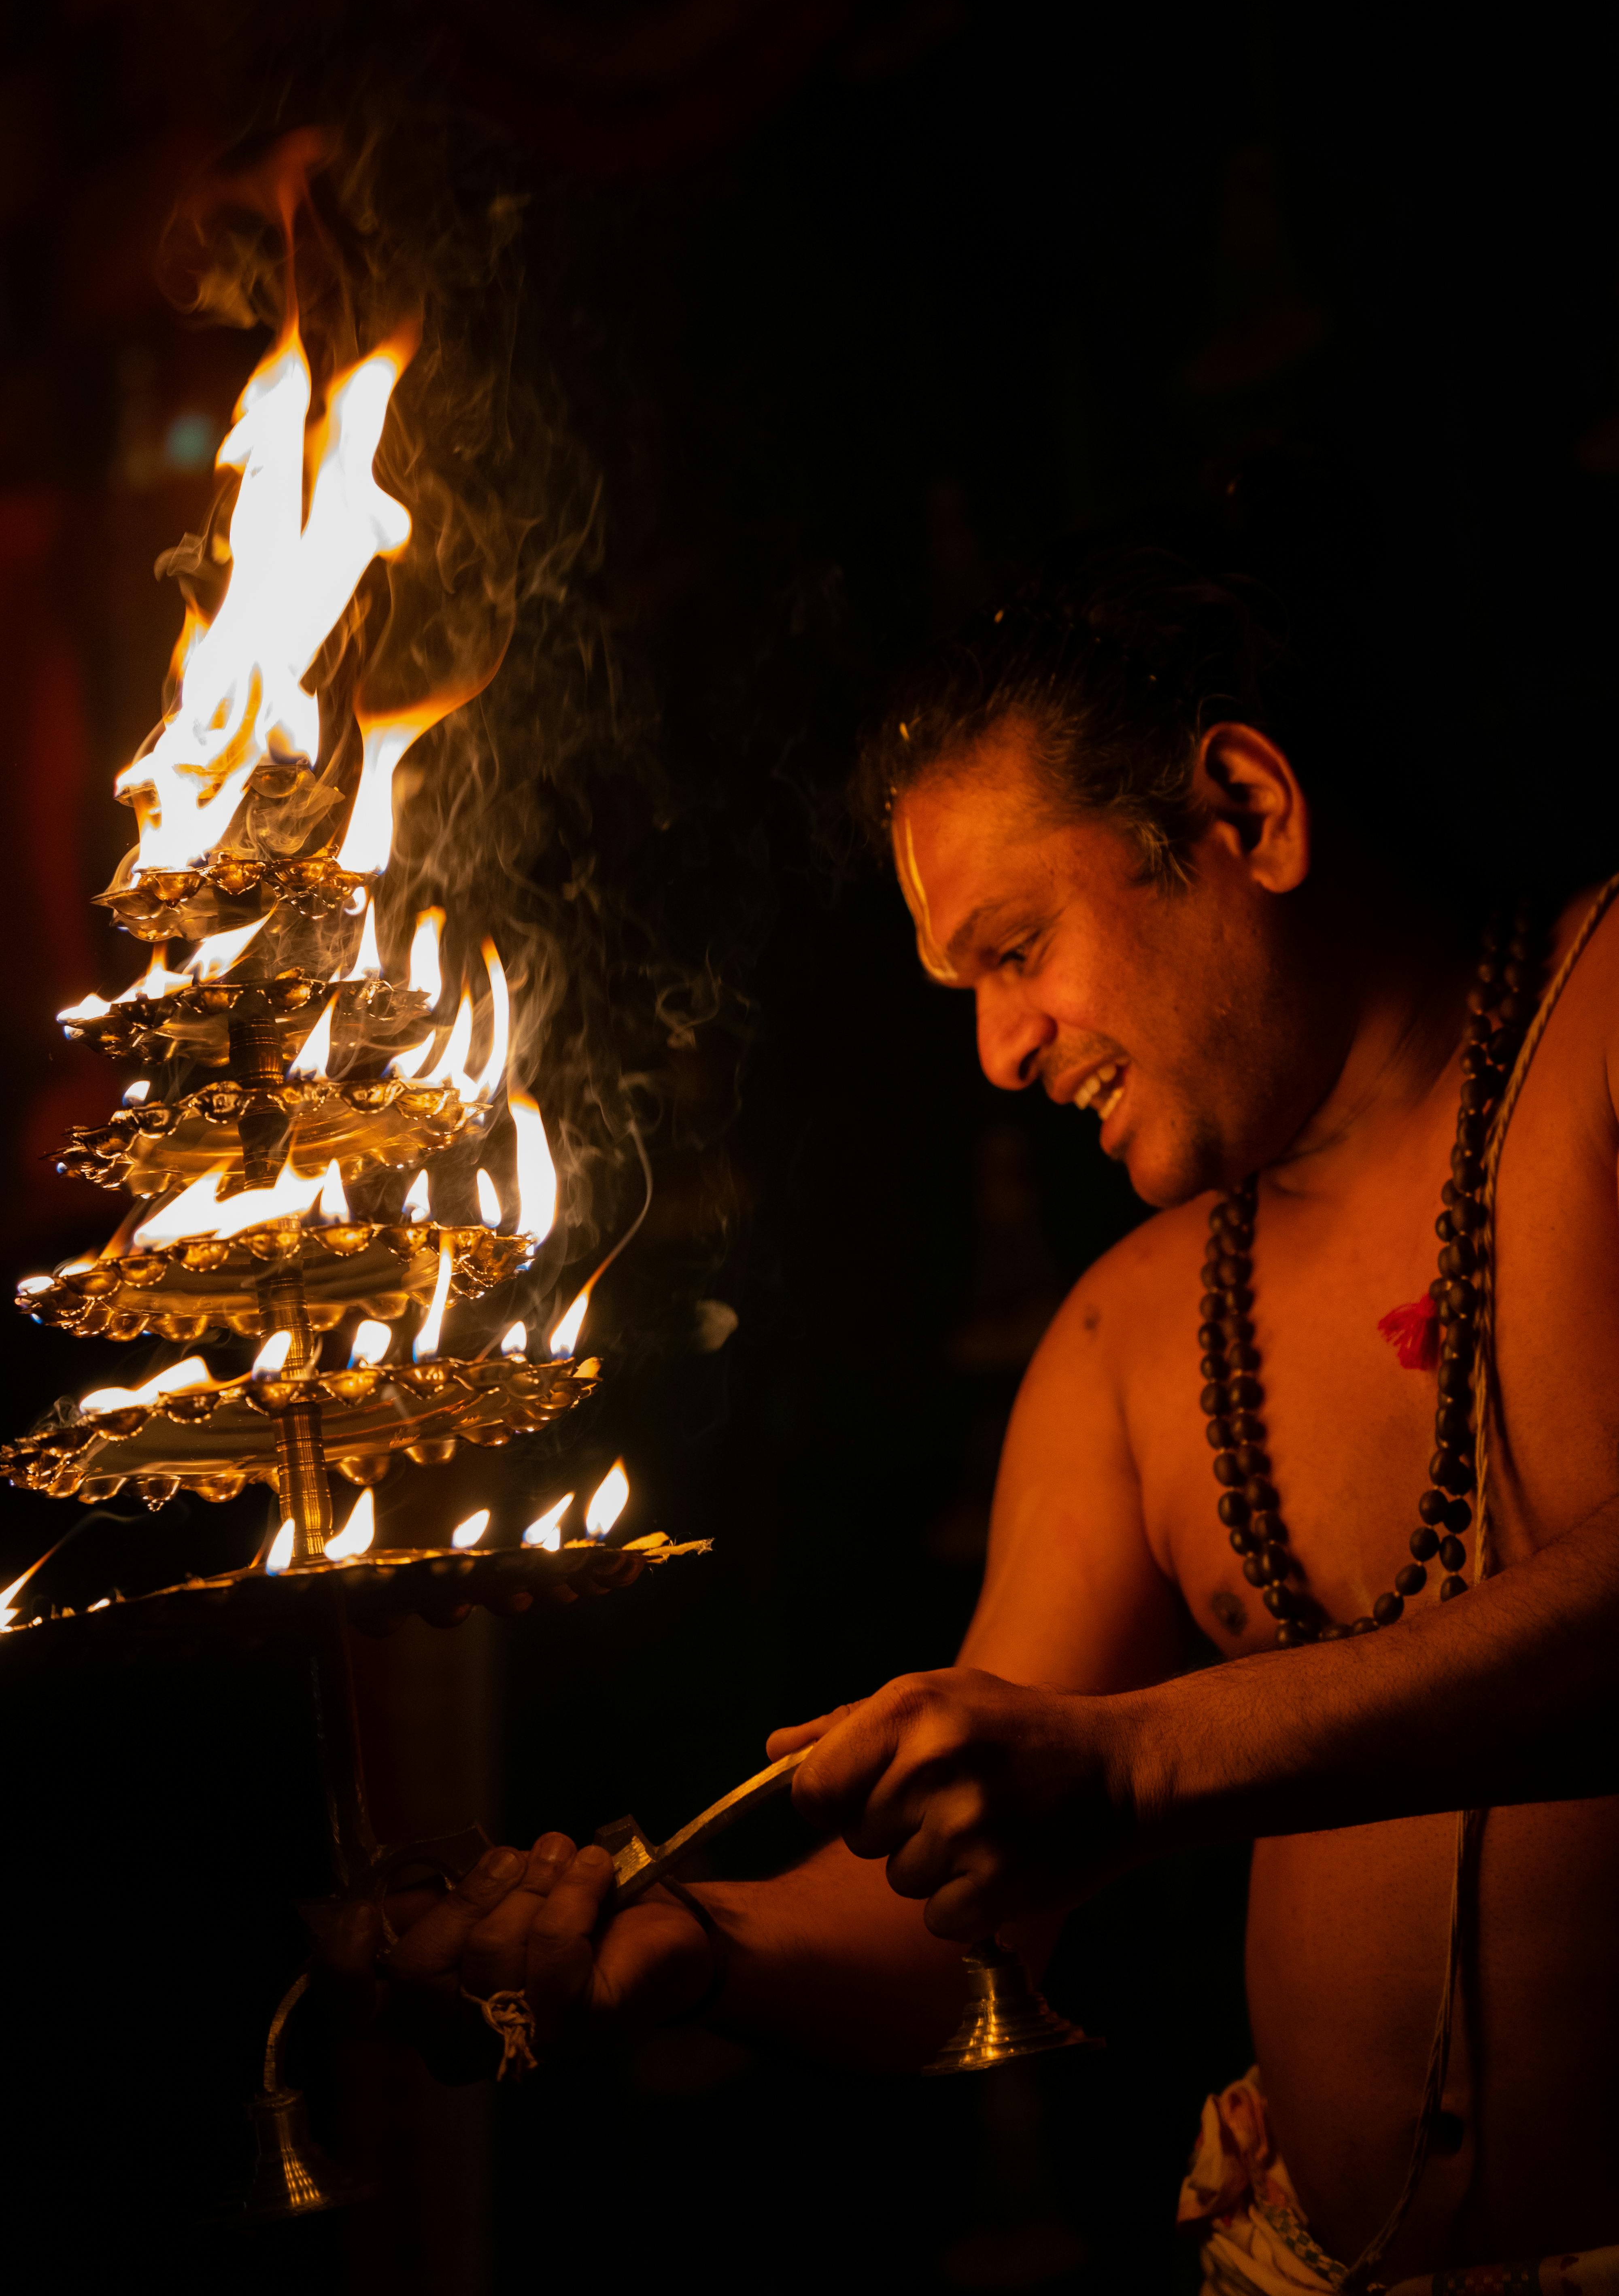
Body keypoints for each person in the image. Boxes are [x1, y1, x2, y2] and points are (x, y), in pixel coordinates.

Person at [325, 539, 1619, 2290]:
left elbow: (1122, 1766)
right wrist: (693, 1939)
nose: (1002, 1054)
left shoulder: (1602, 1029)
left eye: (1019, 950)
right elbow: (962, 1933)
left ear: (1245, 809)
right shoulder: (1131, 1333)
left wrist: (1148, 1757)